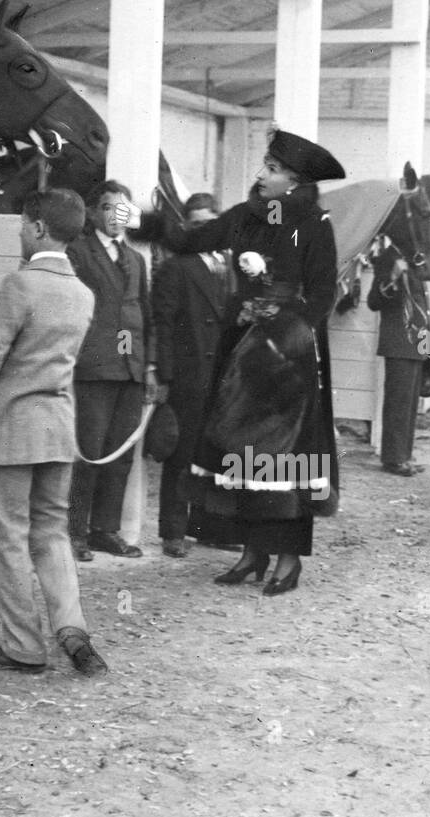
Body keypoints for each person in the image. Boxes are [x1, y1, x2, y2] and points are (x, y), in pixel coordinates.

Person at [135, 128, 344, 596]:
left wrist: (288, 335)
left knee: (285, 460)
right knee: (242, 454)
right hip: (244, 356)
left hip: (288, 359)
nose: (259, 175)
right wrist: (143, 223)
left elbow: (324, 292)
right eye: (263, 167)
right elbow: (189, 240)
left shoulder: (315, 224)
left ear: (295, 181)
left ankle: (287, 561)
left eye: (270, 170)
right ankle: (252, 554)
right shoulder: (246, 217)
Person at [0, 188, 107, 677]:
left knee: (7, 538)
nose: (20, 231)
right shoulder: (83, 294)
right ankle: (73, 630)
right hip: (58, 430)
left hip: (11, 431)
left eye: (24, 223)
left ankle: (23, 647)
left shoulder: (19, 286)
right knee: (51, 533)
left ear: (39, 228)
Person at [66, 179, 160, 561]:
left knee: (121, 455)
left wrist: (150, 367)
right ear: (93, 213)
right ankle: (74, 533)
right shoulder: (78, 253)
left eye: (124, 208)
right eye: (109, 207)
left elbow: (147, 316)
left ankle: (105, 530)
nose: (117, 216)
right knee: (89, 453)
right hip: (94, 369)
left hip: (131, 370)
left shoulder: (136, 260)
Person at [151, 192, 234, 557]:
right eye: (196, 224)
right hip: (190, 376)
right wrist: (165, 377)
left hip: (226, 377)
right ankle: (173, 530)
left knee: (217, 455)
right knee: (182, 456)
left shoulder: (232, 266)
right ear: (187, 227)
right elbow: (162, 325)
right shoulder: (176, 267)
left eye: (210, 223)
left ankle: (210, 527)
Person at [367, 240, 430, 477]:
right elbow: (374, 301)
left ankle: (404, 454)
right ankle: (394, 459)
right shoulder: (388, 258)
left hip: (416, 342)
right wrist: (393, 278)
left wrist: (427, 348)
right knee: (398, 403)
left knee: (411, 404)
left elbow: (424, 305)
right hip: (399, 342)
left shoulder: (416, 256)